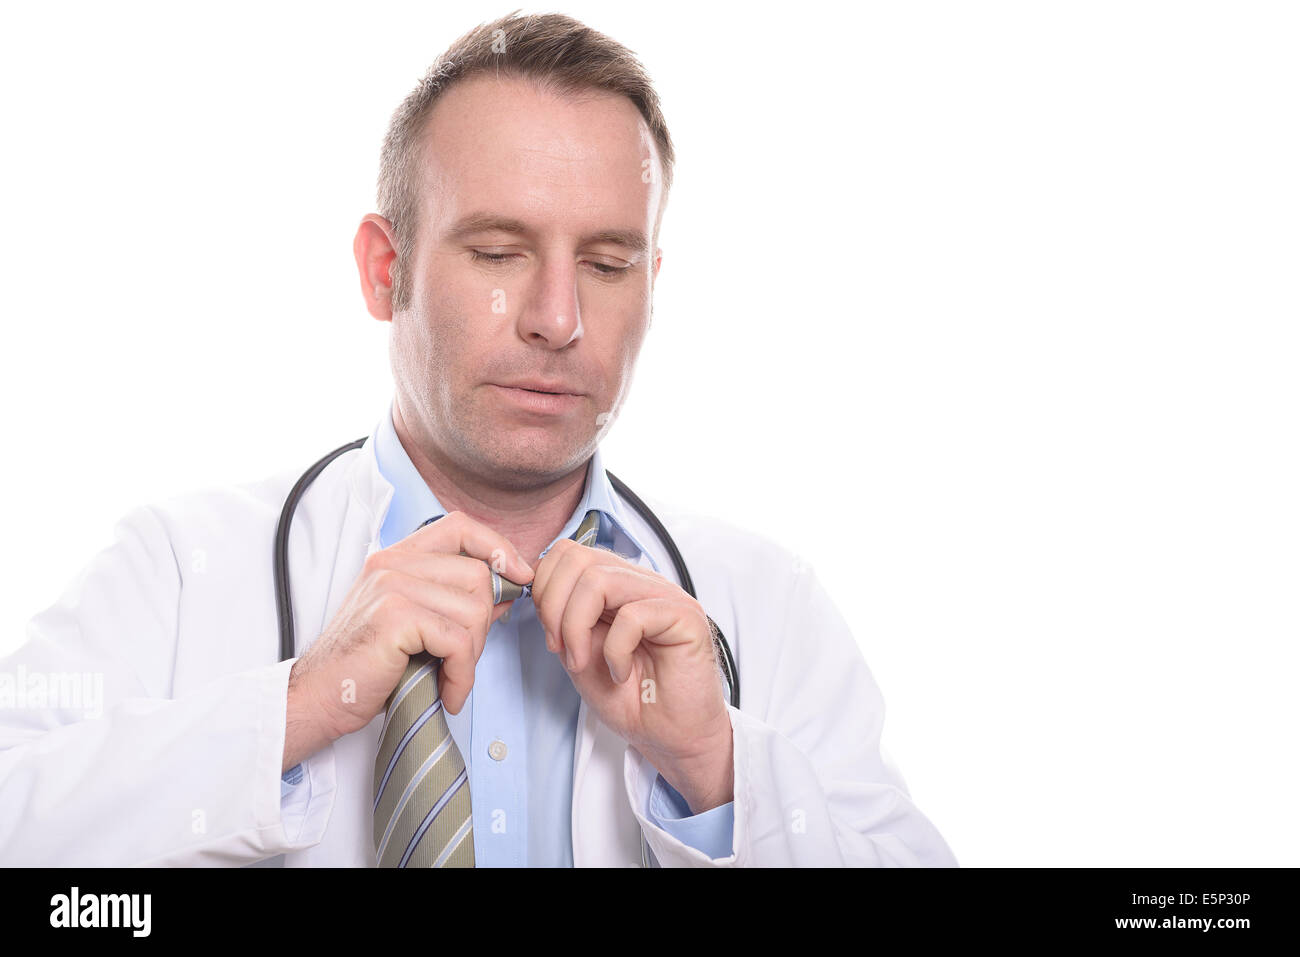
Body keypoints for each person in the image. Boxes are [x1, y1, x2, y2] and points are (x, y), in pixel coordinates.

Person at [0, 11, 957, 867]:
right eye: (499, 252)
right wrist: (300, 705)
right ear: (386, 272)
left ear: (652, 286)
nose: (557, 317)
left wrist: (715, 766)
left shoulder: (766, 605)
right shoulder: (178, 568)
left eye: (608, 262)